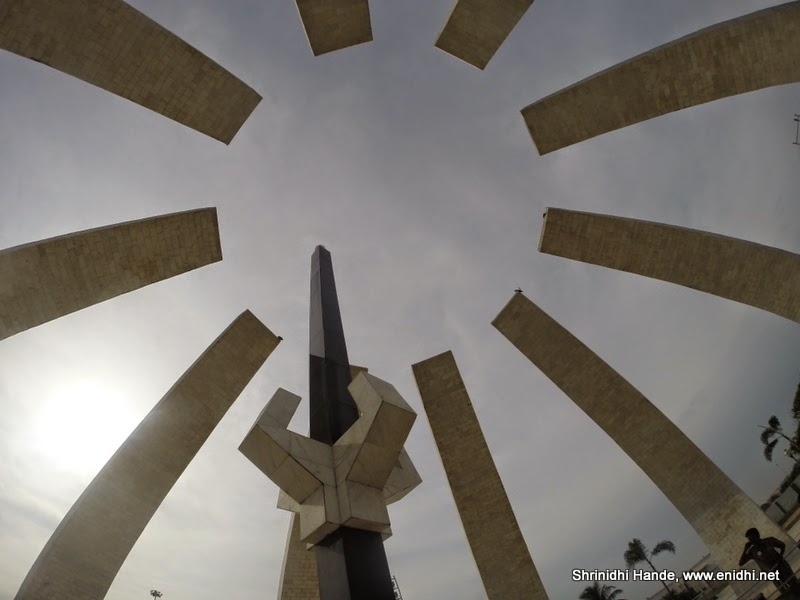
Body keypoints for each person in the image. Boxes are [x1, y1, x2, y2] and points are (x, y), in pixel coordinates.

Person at [739, 528, 799, 596]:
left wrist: (780, 557)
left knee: (795, 585)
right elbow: (741, 563)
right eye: (749, 540)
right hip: (772, 574)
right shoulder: (752, 551)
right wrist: (745, 548)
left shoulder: (769, 540)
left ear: (757, 535)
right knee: (785, 593)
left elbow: (782, 545)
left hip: (783, 567)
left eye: (751, 538)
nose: (751, 541)